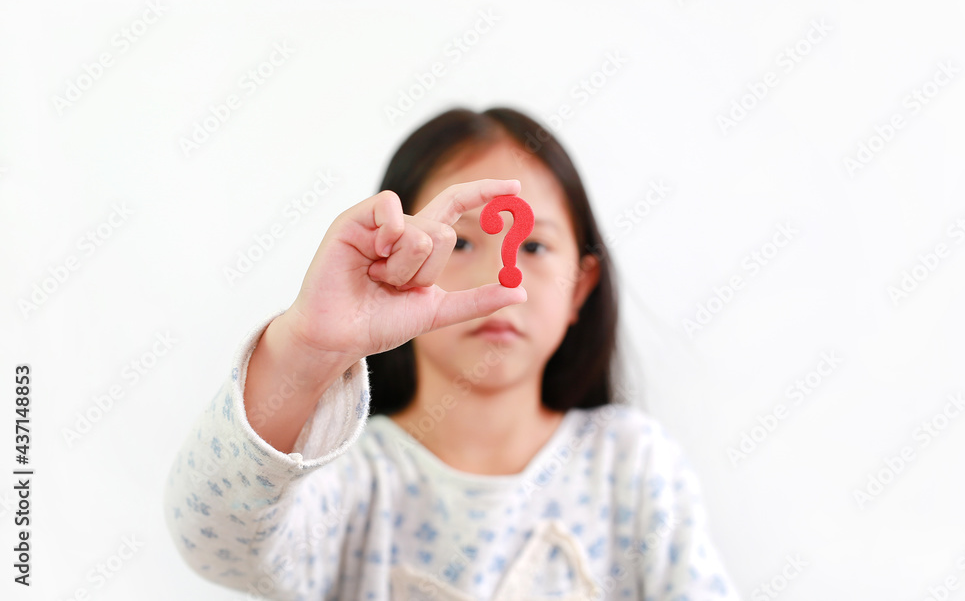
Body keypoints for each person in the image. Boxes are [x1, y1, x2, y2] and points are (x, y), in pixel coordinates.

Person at [163, 107, 741, 600]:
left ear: (581, 289)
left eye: (533, 245)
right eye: (459, 242)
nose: (499, 279)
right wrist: (309, 345)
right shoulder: (353, 483)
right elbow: (212, 535)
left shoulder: (632, 466)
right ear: (389, 266)